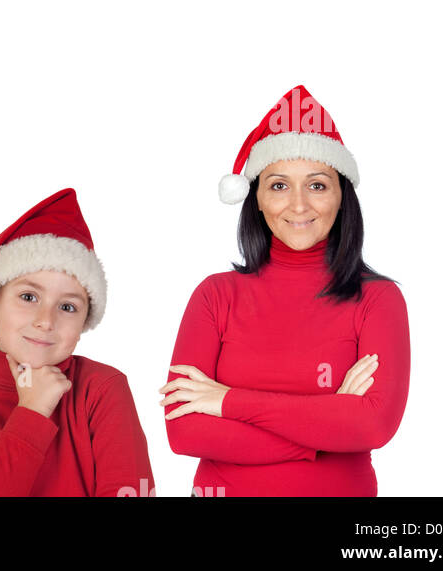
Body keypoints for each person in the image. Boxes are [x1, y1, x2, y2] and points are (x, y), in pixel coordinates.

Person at [160, 85, 410, 497]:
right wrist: (325, 429)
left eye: (317, 185)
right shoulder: (215, 295)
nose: (297, 205)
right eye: (278, 185)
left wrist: (228, 402)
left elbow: (373, 425)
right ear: (255, 197)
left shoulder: (378, 300)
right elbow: (184, 432)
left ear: (341, 197)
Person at [0, 188, 154, 497]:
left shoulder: (102, 388)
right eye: (28, 297)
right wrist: (32, 410)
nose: (46, 320)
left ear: (85, 321)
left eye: (68, 307)